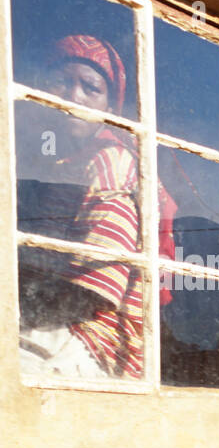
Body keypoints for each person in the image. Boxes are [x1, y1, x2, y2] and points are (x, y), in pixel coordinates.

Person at [18, 34, 177, 380]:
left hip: (94, 340)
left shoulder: (112, 164)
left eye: (90, 87)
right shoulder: (54, 164)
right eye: (62, 82)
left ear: (109, 106)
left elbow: (92, 292)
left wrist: (15, 312)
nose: (72, 96)